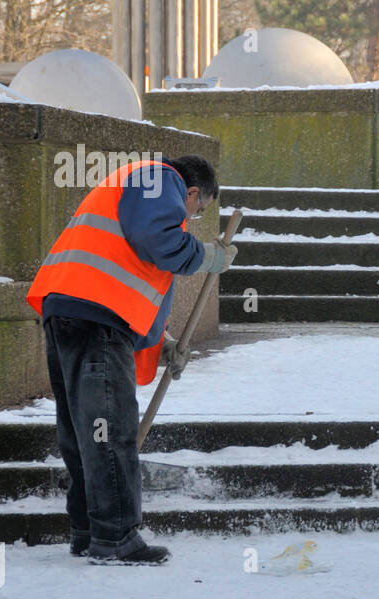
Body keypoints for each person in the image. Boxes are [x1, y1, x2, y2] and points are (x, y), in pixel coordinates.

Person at [26, 154, 236, 564]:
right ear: (192, 192)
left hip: (75, 311)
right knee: (111, 427)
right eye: (198, 211)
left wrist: (163, 343)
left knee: (86, 430)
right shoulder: (160, 180)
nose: (190, 217)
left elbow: (129, 275)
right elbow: (159, 243)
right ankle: (117, 537)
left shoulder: (137, 183)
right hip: (95, 318)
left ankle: (89, 530)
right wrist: (209, 257)